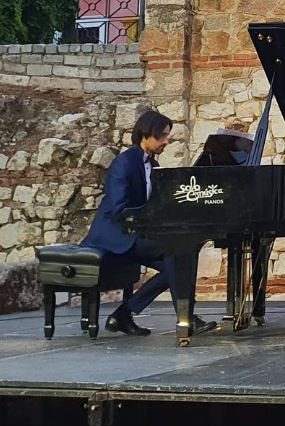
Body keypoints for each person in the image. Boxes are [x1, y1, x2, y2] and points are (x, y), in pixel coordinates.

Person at [82, 110, 212, 336]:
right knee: (176, 253)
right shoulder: (124, 163)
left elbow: (157, 205)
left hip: (135, 233)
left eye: (167, 136)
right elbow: (119, 209)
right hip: (116, 236)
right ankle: (187, 318)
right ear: (145, 134)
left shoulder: (154, 165)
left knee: (179, 264)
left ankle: (123, 315)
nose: (166, 141)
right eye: (162, 135)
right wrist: (152, 225)